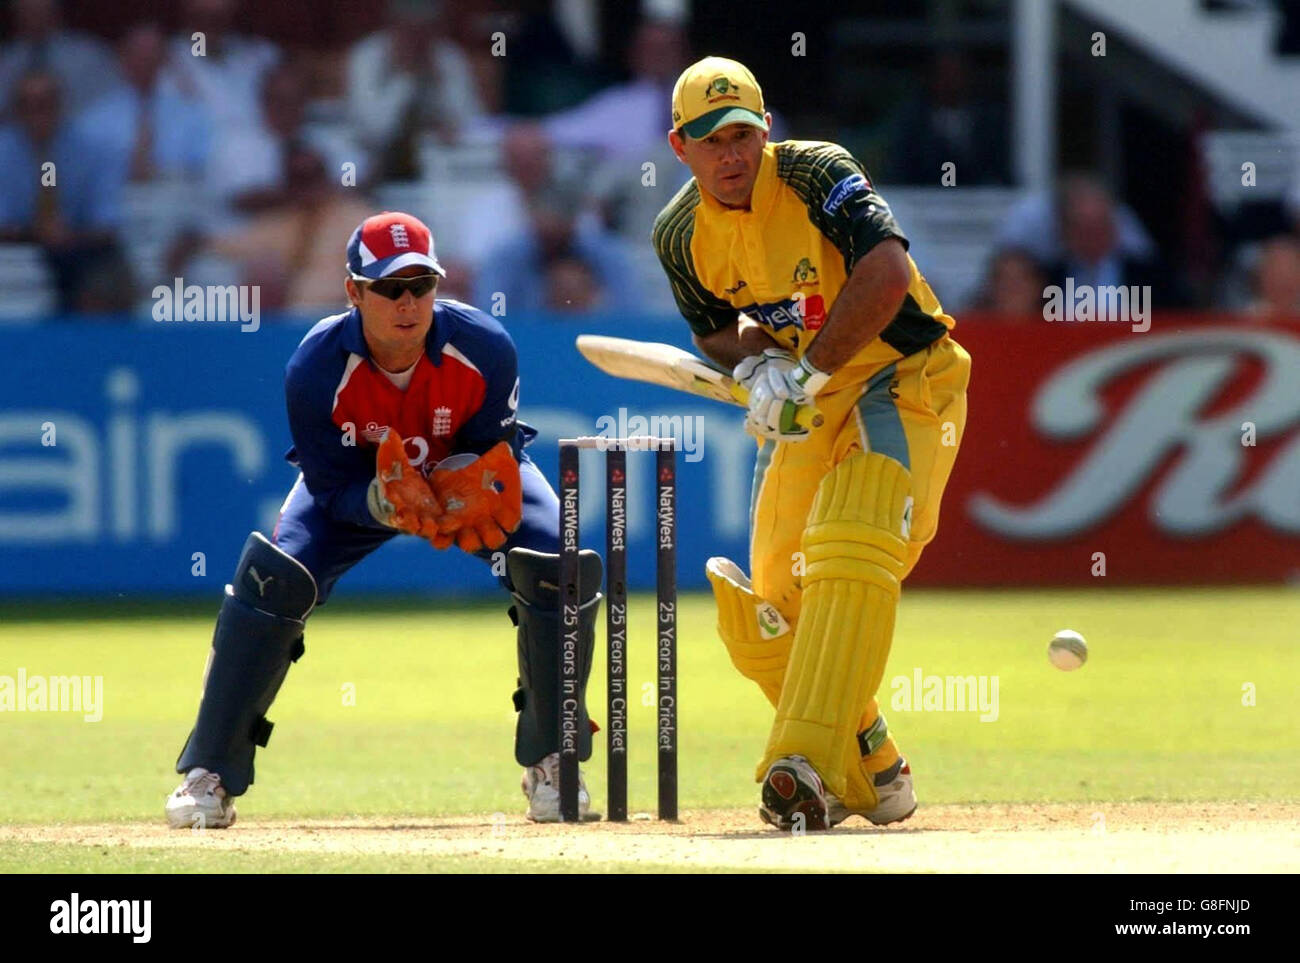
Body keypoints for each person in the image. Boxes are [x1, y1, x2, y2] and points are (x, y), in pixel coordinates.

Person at [165, 211, 603, 828]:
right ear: (354, 292)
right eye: (390, 288)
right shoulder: (315, 366)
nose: (408, 302)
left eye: (421, 285)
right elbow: (325, 483)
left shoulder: (483, 345)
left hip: (460, 480)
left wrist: (462, 487)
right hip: (358, 489)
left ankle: (553, 758)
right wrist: (380, 501)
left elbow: (494, 451)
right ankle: (207, 773)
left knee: (559, 566)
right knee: (272, 579)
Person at [653, 57, 971, 831]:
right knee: (772, 602)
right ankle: (876, 759)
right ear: (679, 145)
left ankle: (806, 766)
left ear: (766, 131)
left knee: (856, 534)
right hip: (810, 394)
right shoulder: (680, 233)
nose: (731, 154)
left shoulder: (815, 172)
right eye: (710, 139)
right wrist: (758, 355)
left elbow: (888, 272)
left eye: (743, 135)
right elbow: (714, 331)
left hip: (904, 374)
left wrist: (807, 369)